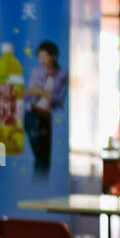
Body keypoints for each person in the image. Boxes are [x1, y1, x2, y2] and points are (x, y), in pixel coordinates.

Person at [25, 40, 67, 175]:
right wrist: (40, 92)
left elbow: (58, 99)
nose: (41, 60)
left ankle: (40, 185)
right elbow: (28, 93)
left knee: (44, 155)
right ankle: (37, 187)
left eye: (44, 56)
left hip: (45, 115)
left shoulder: (62, 74)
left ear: (53, 56)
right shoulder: (37, 71)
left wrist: (40, 92)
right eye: (39, 57)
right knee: (39, 154)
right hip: (32, 113)